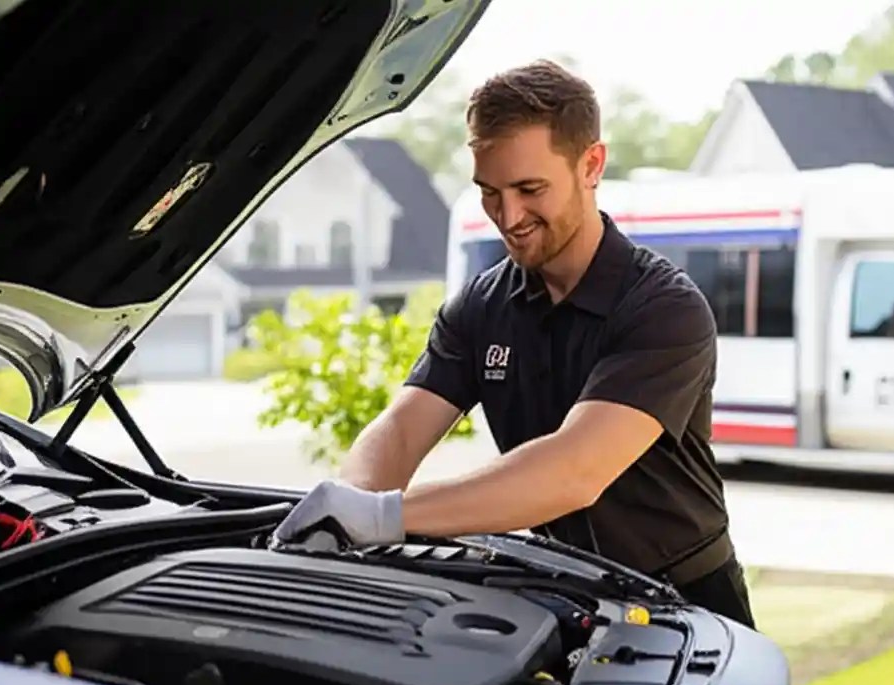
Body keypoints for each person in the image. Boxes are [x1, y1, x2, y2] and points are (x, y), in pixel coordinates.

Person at [274, 59, 756, 630]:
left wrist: (382, 517)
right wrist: (344, 506)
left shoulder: (663, 307)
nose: (508, 216)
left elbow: (574, 471)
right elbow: (403, 430)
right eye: (489, 192)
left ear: (591, 165)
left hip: (691, 602)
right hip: (566, 596)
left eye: (530, 189)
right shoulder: (481, 307)